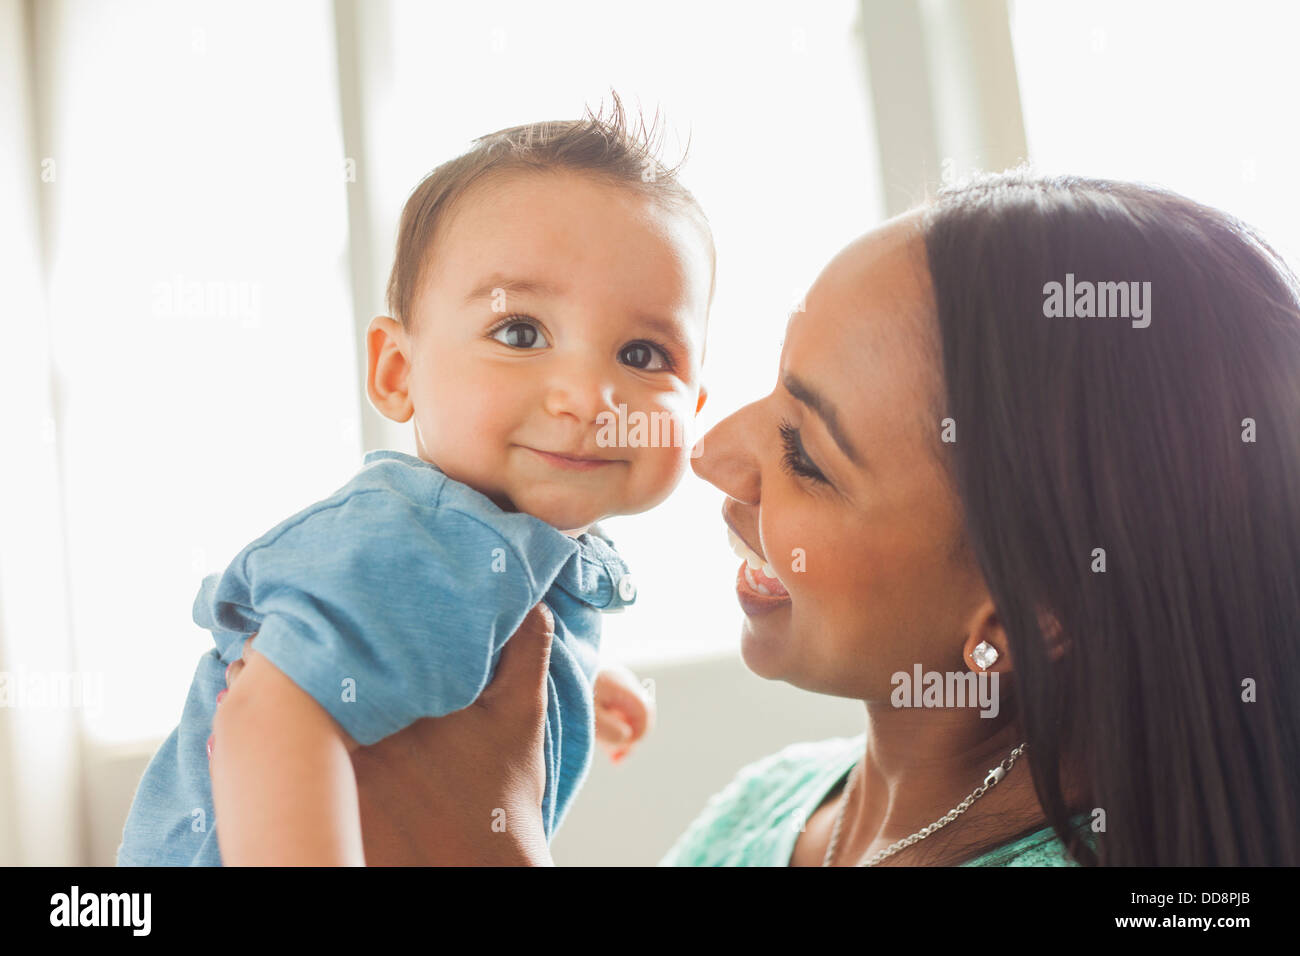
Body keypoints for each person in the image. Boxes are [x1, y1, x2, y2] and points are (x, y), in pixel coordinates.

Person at [223, 170, 1300, 866]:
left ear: (1021, 616)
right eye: (774, 386)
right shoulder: (763, 811)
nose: (709, 452)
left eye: (807, 454)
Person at [116, 96, 706, 866]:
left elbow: (440, 663)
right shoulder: (412, 538)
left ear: (693, 405)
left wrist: (579, 678)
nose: (587, 396)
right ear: (399, 372)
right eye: (520, 333)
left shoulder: (489, 551)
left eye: (641, 355)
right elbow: (265, 716)